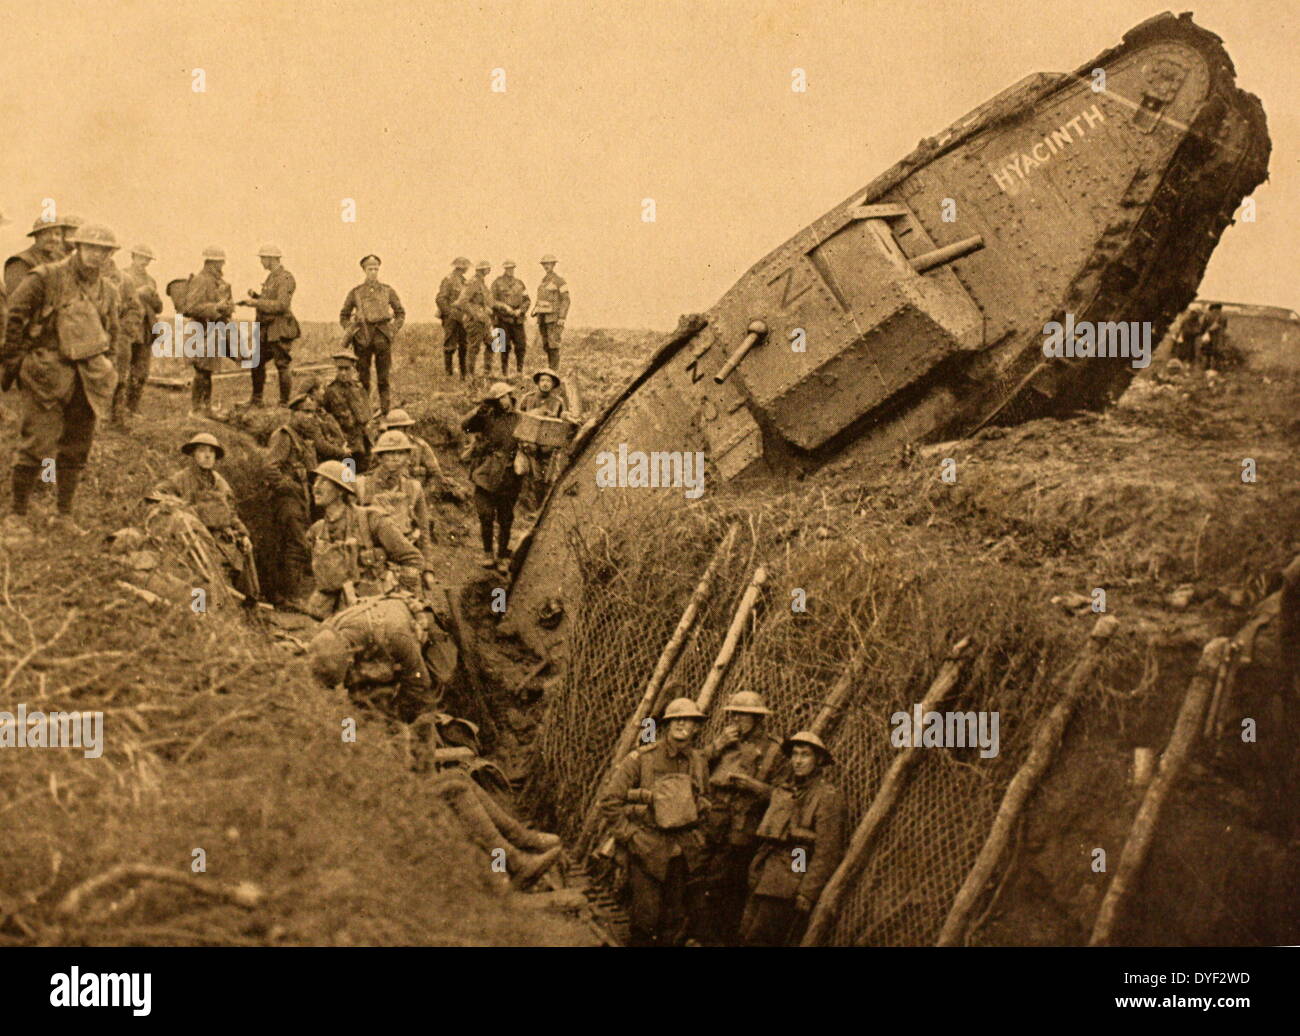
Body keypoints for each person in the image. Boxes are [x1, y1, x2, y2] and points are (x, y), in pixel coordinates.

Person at [1, 223, 124, 532]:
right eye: (91, 248)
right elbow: (14, 317)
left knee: (76, 447)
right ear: (78, 247)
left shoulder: (108, 289)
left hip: (88, 378)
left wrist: (107, 367)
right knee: (37, 443)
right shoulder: (46, 277)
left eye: (103, 250)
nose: (96, 255)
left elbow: (113, 332)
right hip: (46, 372)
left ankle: (63, 515)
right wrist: (15, 362)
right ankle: (16, 515)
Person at [599, 696, 712, 947]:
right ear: (667, 724)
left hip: (684, 853)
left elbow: (704, 801)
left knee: (674, 919)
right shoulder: (642, 758)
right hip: (648, 849)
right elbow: (609, 801)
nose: (683, 724)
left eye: (689, 720)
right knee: (645, 918)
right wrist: (630, 835)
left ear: (696, 727)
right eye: (676, 719)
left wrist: (699, 834)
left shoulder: (698, 761)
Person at [740, 730, 846, 947]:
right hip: (763, 873)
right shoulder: (786, 788)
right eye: (795, 754)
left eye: (805, 755)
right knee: (745, 933)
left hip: (789, 880)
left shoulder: (827, 796)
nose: (798, 761)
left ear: (819, 760)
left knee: (759, 939)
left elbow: (827, 850)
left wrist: (807, 892)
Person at [702, 690, 784, 944]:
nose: (737, 719)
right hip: (712, 825)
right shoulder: (724, 742)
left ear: (758, 719)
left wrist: (752, 785)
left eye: (744, 715)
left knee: (731, 888)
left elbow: (781, 796)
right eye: (734, 714)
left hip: (743, 832)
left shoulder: (774, 750)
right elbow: (694, 768)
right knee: (703, 882)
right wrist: (717, 746)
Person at [303, 459, 429, 619]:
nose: (316, 487)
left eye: (324, 481)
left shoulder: (371, 520)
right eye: (315, 481)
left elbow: (413, 559)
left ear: (341, 490)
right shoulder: (317, 531)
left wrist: (403, 601)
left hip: (375, 609)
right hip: (333, 614)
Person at [264, 387, 350, 604]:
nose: (310, 416)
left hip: (305, 496)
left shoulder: (305, 438)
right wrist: (288, 485)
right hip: (288, 499)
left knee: (304, 541)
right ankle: (292, 595)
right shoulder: (284, 435)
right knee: (296, 542)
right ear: (294, 413)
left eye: (312, 412)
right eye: (305, 412)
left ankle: (293, 590)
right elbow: (270, 467)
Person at [151, 432, 259, 599]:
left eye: (211, 451)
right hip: (195, 537)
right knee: (207, 570)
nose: (208, 455)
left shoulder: (221, 483)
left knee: (244, 553)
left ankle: (247, 605)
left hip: (222, 537)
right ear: (193, 454)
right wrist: (179, 508)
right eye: (202, 450)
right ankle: (205, 607)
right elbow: (157, 495)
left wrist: (244, 534)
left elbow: (231, 514)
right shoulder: (181, 479)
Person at [460, 382, 523, 574]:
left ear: (511, 397)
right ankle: (488, 553)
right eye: (498, 398)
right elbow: (466, 427)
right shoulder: (486, 417)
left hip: (510, 474)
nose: (503, 401)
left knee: (506, 518)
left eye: (505, 397)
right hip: (486, 472)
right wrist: (480, 409)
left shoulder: (520, 418)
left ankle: (503, 555)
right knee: (485, 515)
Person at [358, 430, 436, 567]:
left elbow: (424, 530)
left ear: (408, 457)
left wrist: (428, 567)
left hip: (405, 557)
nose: (395, 458)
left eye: (400, 453)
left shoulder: (414, 487)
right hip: (371, 560)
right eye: (389, 453)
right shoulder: (362, 485)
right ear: (379, 457)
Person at [339, 254, 405, 415]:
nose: (373, 272)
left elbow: (400, 313)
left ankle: (385, 410)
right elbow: (344, 315)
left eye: (376, 269)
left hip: (383, 337)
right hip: (363, 339)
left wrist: (393, 329)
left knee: (383, 378)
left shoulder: (387, 291)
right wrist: (353, 332)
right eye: (370, 269)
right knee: (363, 378)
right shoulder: (356, 292)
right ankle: (365, 411)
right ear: (364, 270)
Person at [237, 243, 299, 407]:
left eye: (263, 258)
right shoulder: (271, 277)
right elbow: (270, 300)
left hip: (279, 329)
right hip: (266, 330)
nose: (261, 262)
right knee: (255, 361)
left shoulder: (286, 278)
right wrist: (256, 297)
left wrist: (255, 302)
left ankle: (284, 403)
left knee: (282, 365)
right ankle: (256, 400)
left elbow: (281, 305)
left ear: (271, 259)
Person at [182, 246, 235, 418]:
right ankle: (197, 409)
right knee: (201, 371)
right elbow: (190, 308)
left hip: (214, 329)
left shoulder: (219, 283)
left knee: (207, 371)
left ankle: (206, 408)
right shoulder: (200, 280)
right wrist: (215, 307)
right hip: (200, 330)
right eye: (219, 262)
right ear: (210, 262)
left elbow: (225, 306)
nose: (222, 265)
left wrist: (227, 308)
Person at [119, 244, 164, 416]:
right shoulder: (122, 275)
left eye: (147, 259)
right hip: (128, 327)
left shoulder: (151, 280)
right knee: (121, 369)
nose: (144, 262)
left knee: (141, 371)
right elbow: (117, 300)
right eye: (141, 258)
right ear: (133, 257)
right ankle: (117, 409)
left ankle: (132, 407)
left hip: (145, 330)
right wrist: (139, 293)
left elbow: (159, 307)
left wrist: (153, 298)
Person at [516, 367, 568, 512]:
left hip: (548, 447)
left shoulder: (558, 402)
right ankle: (525, 506)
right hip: (528, 444)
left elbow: (561, 424)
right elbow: (518, 418)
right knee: (526, 473)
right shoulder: (528, 398)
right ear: (538, 382)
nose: (545, 384)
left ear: (553, 384)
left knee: (545, 479)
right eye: (543, 380)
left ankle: (539, 508)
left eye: (549, 381)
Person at [379, 408, 459, 500]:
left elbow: (435, 473)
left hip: (416, 494)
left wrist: (424, 494)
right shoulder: (381, 448)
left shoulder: (420, 446)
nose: (395, 432)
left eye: (399, 428)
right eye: (392, 429)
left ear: (406, 429)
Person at [321, 349, 372, 472]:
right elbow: (325, 416)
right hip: (345, 443)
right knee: (347, 476)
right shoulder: (330, 391)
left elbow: (366, 413)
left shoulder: (359, 388)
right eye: (340, 369)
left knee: (363, 474)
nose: (343, 373)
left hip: (362, 441)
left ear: (353, 369)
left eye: (347, 369)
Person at [4, 214, 74, 295]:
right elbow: (17, 300)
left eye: (57, 234)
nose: (53, 238)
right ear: (37, 236)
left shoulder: (61, 259)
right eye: (47, 234)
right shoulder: (20, 262)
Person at [456, 260, 494, 382]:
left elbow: (485, 301)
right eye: (487, 268)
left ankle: (487, 372)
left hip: (484, 320)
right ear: (483, 270)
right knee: (474, 348)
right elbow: (462, 301)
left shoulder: (481, 283)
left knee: (491, 344)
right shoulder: (473, 283)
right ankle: (470, 376)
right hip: (475, 321)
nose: (489, 270)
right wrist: (475, 314)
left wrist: (487, 309)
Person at [490, 259, 530, 375]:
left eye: (512, 268)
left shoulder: (520, 283)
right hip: (502, 319)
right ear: (504, 269)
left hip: (518, 320)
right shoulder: (497, 283)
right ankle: (504, 372)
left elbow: (527, 300)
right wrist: (504, 307)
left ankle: (519, 371)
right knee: (504, 347)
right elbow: (491, 301)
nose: (510, 270)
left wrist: (521, 310)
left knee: (521, 346)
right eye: (508, 268)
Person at [532, 254, 569, 370]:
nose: (546, 266)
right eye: (544, 264)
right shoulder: (543, 282)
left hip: (554, 318)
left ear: (553, 265)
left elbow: (566, 300)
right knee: (546, 344)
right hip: (542, 318)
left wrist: (562, 317)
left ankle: (554, 370)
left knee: (553, 344)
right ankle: (550, 368)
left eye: (549, 264)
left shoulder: (560, 281)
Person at [436, 257, 470, 378]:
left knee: (464, 345)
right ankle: (448, 374)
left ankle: (463, 374)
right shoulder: (448, 280)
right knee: (450, 346)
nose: (466, 269)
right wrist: (449, 313)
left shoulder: (464, 281)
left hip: (462, 317)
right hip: (451, 318)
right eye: (464, 267)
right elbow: (440, 299)